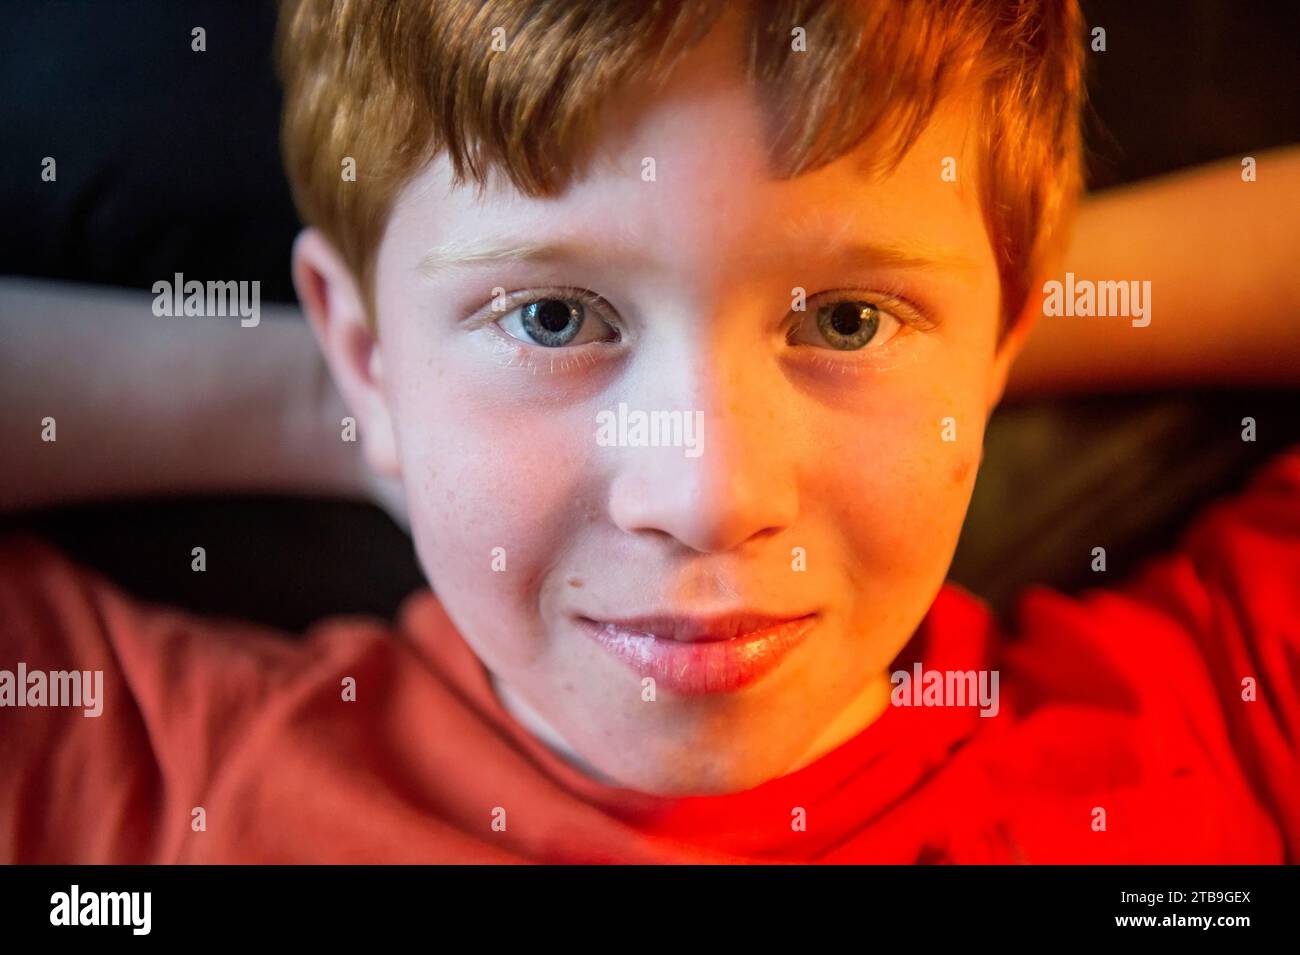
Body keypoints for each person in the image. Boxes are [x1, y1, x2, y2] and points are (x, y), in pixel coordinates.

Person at [1, 0, 1296, 863]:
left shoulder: (1218, 735)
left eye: (846, 320)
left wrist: (988, 319)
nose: (711, 493)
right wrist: (363, 404)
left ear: (1010, 326)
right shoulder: (154, 790)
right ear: (359, 343)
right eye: (554, 316)